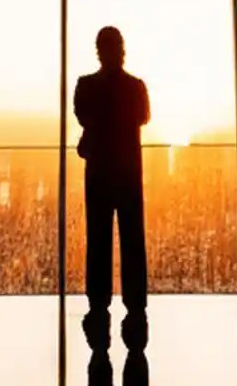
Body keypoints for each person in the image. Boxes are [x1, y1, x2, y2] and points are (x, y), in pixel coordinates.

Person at [75, 26, 150, 353]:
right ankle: (135, 304)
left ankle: (98, 302)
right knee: (133, 239)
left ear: (98, 51)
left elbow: (83, 116)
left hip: (99, 173)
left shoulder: (86, 86)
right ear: (122, 50)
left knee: (99, 238)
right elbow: (144, 118)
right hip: (129, 172)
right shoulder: (135, 87)